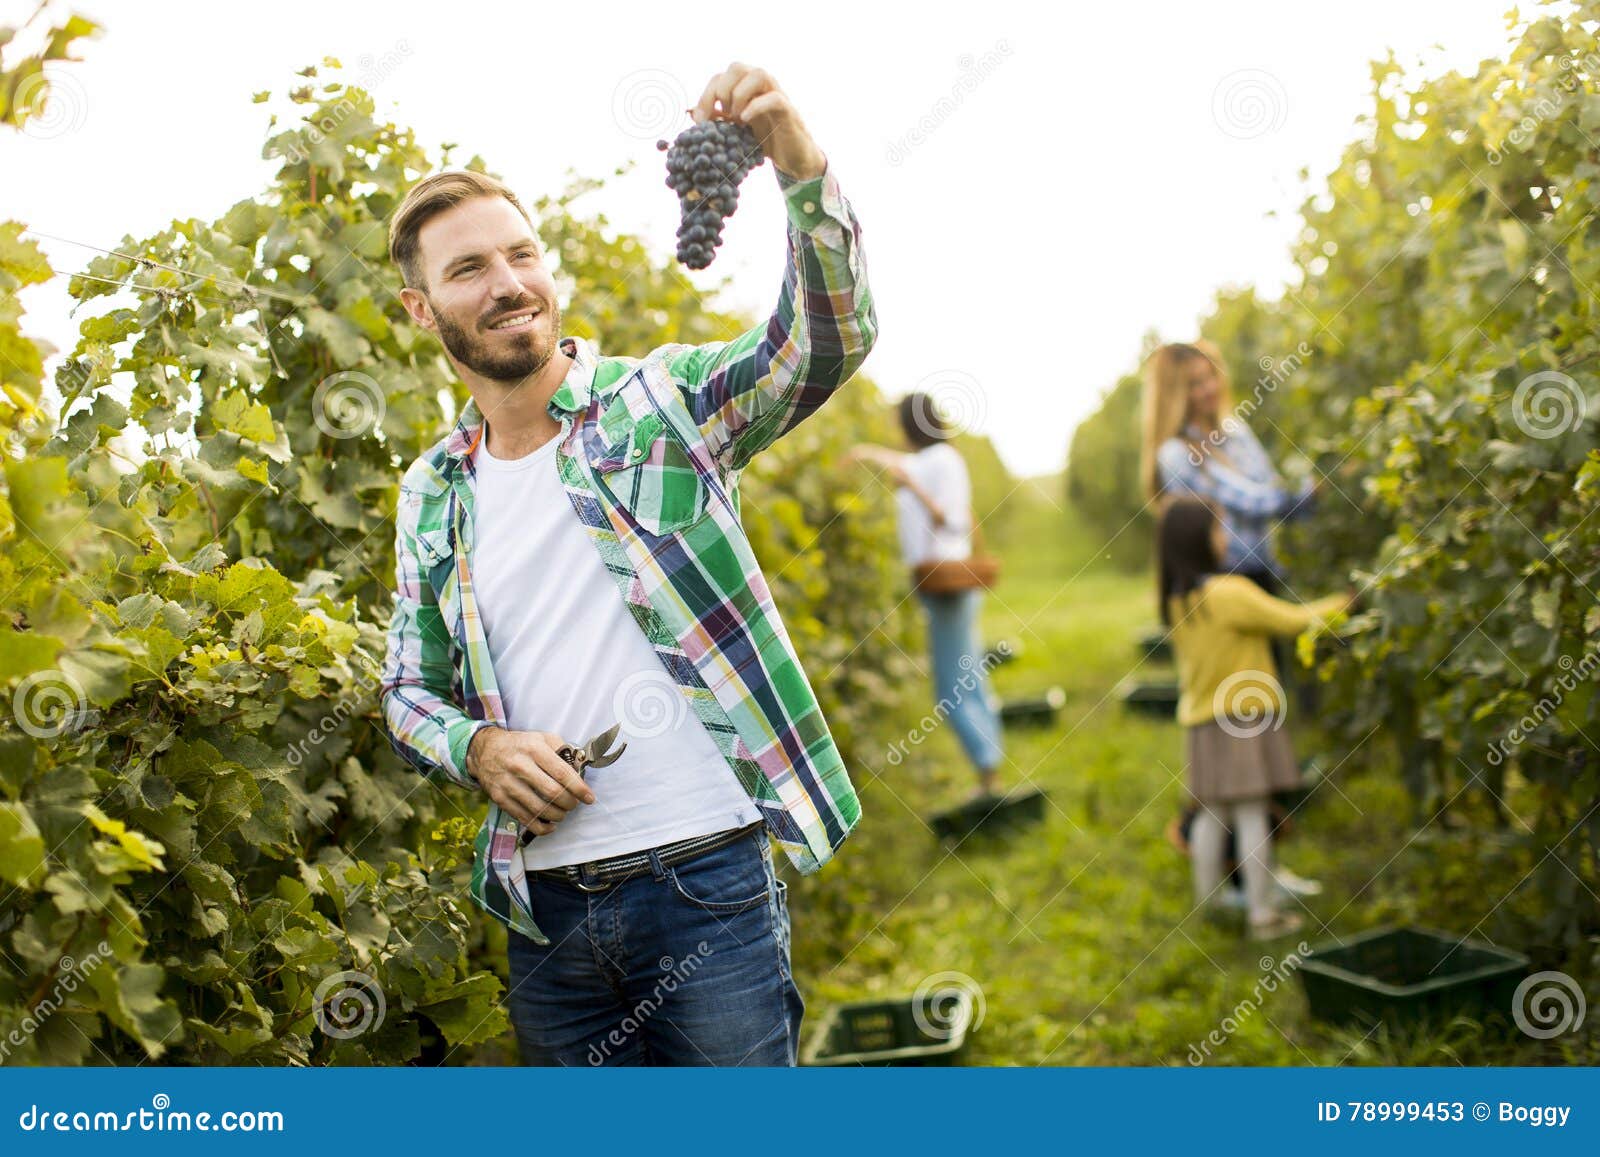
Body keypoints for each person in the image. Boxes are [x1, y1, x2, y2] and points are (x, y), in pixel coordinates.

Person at [379, 63, 877, 1066]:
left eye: (520, 254)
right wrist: (478, 747)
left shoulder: (661, 403)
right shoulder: (430, 489)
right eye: (469, 268)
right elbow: (405, 689)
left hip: (708, 884)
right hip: (544, 909)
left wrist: (799, 166)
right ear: (421, 311)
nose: (509, 281)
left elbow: (823, 343)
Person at [1141, 339, 1323, 901]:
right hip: (1224, 595)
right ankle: (1234, 872)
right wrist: (1301, 497)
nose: (1207, 390)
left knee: (1261, 727)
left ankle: (1255, 868)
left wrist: (1289, 497)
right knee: (1236, 732)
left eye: (1210, 377)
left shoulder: (1236, 432)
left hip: (1259, 580)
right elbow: (1257, 498)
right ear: (1174, 396)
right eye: (1191, 384)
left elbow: (1264, 492)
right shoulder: (1177, 454)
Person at [1156, 498, 1352, 940]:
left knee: (1212, 814)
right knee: (1252, 815)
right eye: (1218, 529)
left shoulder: (1176, 601)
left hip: (1202, 721)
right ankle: (1263, 916)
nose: (1225, 538)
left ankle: (1212, 903)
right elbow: (1293, 621)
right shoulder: (1228, 594)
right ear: (1199, 540)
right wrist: (1345, 603)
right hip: (1243, 718)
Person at [844, 392, 1005, 799]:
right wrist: (866, 453)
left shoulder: (937, 462)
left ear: (911, 424)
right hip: (949, 583)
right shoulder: (940, 460)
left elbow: (948, 518)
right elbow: (898, 462)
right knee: (971, 677)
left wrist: (909, 485)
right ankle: (991, 774)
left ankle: (988, 772)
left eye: (899, 421)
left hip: (946, 581)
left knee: (951, 688)